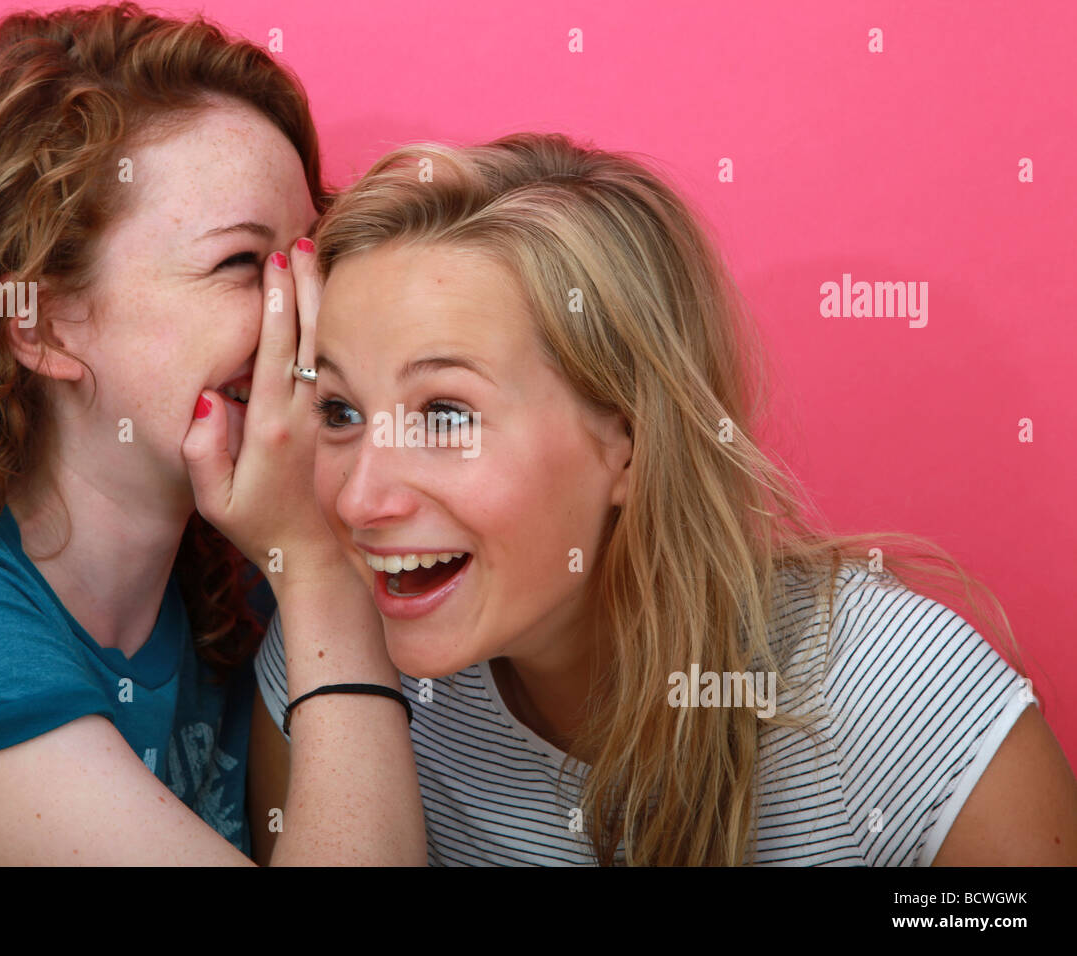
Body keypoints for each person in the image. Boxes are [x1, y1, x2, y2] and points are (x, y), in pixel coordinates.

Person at [249, 132, 1077, 865]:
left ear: (633, 444)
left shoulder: (899, 700)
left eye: (446, 414)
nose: (360, 498)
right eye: (340, 411)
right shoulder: (332, 654)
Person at [0, 3, 424, 866]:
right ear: (41, 327)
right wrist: (319, 570)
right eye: (242, 265)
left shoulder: (242, 599)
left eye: (311, 261)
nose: (307, 318)